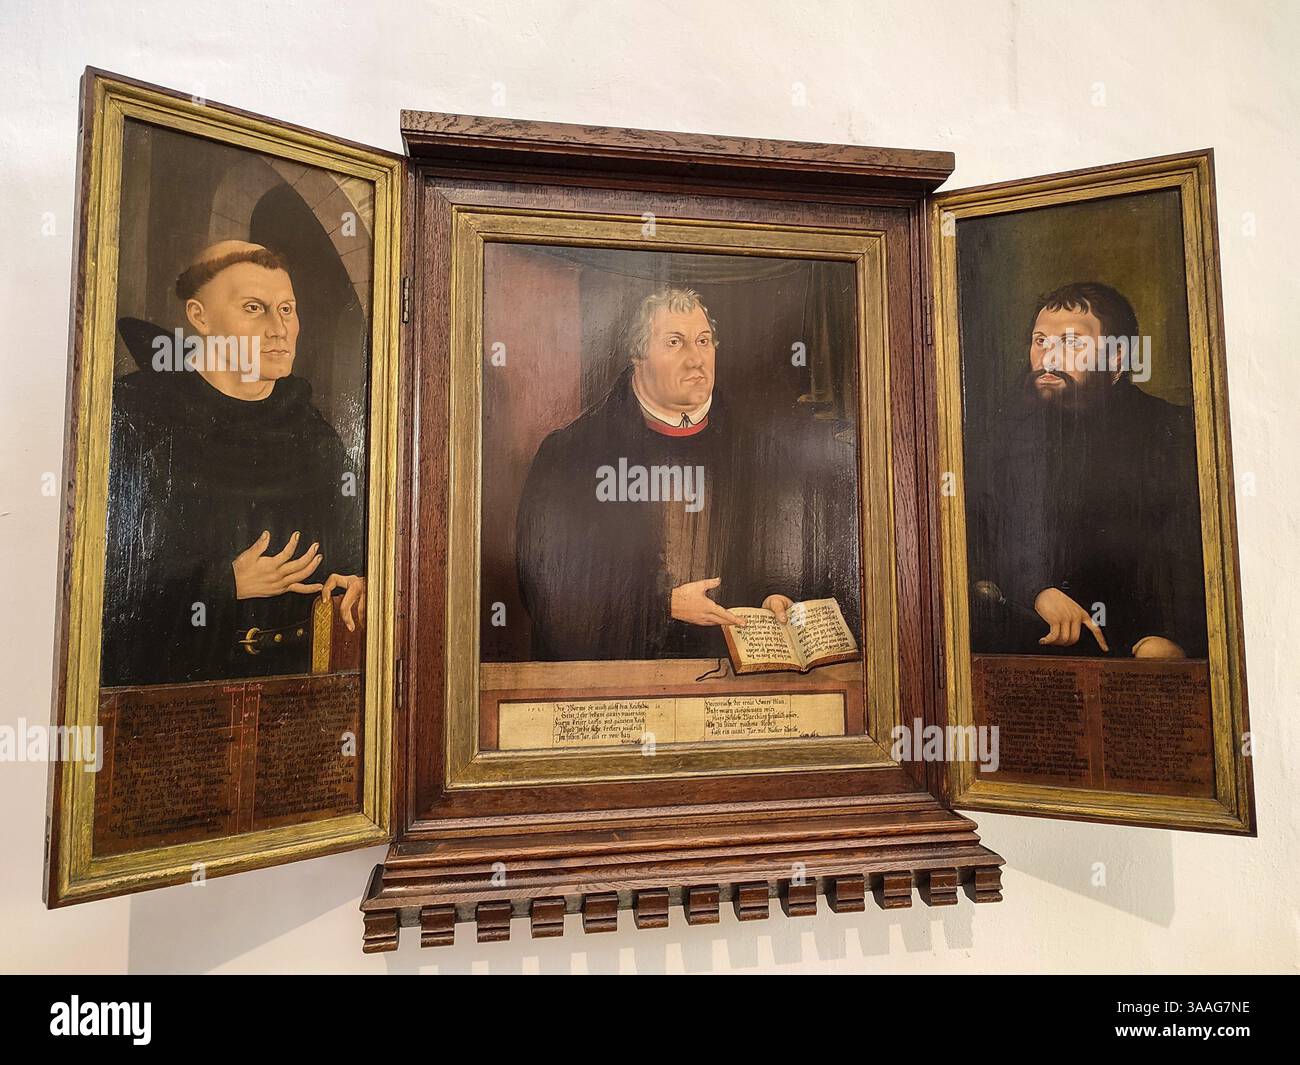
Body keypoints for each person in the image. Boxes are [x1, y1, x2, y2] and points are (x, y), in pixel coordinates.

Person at [516, 287, 856, 661]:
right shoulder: (569, 456)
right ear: (638, 357)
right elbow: (548, 586)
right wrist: (662, 603)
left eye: (704, 341)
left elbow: (791, 558)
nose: (696, 360)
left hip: (732, 690)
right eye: (675, 342)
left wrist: (775, 594)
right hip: (620, 688)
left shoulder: (764, 457)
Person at [101, 240, 366, 686]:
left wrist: (360, 576)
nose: (278, 328)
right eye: (254, 308)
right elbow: (107, 579)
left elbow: (355, 540)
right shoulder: (139, 417)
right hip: (183, 689)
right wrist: (227, 583)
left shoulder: (313, 431)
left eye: (286, 309)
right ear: (199, 317)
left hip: (299, 681)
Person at [968, 282, 1207, 659]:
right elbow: (979, 537)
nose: (1048, 359)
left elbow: (1198, 554)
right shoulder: (1005, 435)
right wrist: (1037, 590)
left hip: (1142, 648)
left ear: (1115, 358)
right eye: (1041, 341)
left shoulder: (1174, 431)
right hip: (1034, 645)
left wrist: (1170, 637)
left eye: (1072, 344)